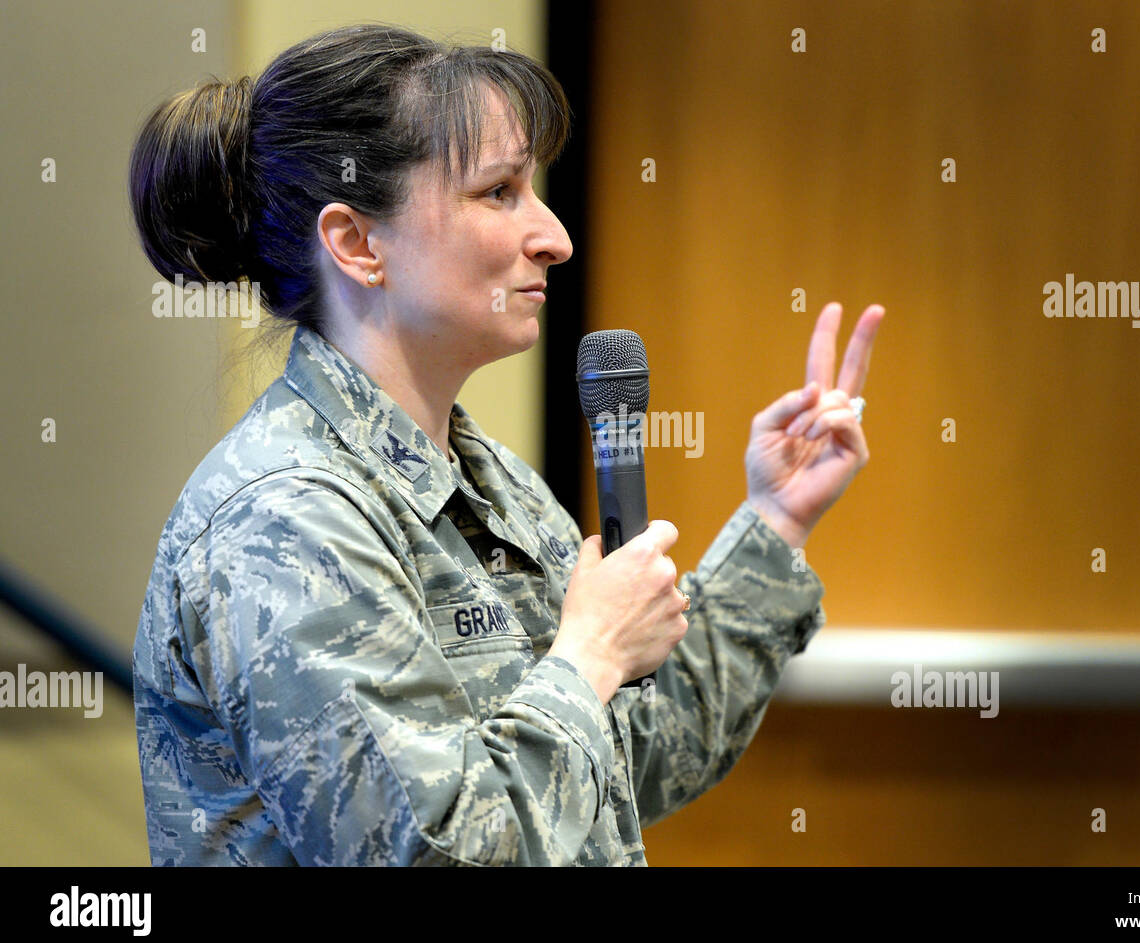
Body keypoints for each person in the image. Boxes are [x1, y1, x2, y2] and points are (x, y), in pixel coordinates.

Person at [128, 22, 884, 866]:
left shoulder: (495, 484)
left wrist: (775, 519)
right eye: (499, 192)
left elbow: (632, 761)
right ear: (356, 243)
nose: (554, 237)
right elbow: (427, 853)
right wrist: (591, 655)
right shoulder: (283, 516)